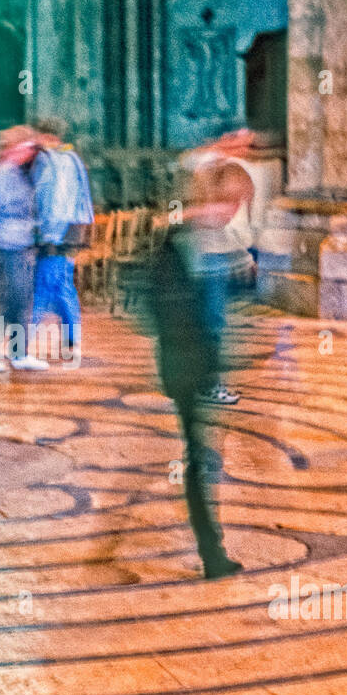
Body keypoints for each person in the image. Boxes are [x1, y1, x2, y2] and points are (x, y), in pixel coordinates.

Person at [138, 218, 243, 581]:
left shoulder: (183, 242)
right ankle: (211, 552)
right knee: (198, 460)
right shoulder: (187, 245)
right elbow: (185, 315)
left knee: (198, 458)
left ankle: (212, 550)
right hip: (185, 367)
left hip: (185, 366)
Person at [179, 131, 257, 406]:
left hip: (213, 262)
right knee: (210, 325)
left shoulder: (222, 171)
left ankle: (203, 381)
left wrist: (244, 258)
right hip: (206, 262)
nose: (233, 209)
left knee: (212, 324)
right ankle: (208, 384)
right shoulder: (204, 170)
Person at [0, 126, 48, 372]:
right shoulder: (2, 173)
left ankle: (18, 353)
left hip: (17, 243)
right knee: (4, 302)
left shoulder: (14, 172)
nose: (31, 152)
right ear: (15, 147)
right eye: (28, 147)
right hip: (7, 244)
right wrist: (32, 222)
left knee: (20, 300)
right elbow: (4, 209)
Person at [30, 117, 93, 360]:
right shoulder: (72, 158)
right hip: (71, 231)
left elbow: (48, 198)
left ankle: (22, 345)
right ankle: (70, 342)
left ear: (47, 136)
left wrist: (45, 232)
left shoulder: (49, 160)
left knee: (44, 288)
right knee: (63, 286)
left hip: (54, 232)